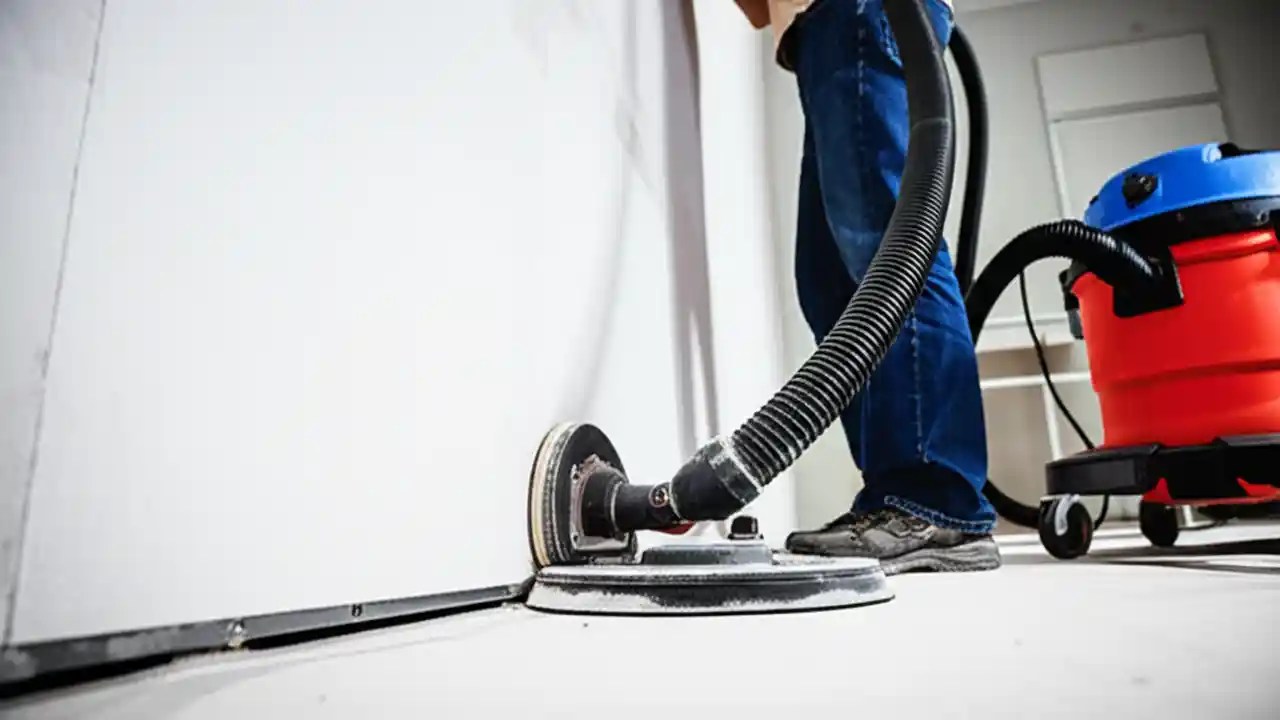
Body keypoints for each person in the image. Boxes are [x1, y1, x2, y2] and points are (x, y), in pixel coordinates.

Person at [733, 0, 1001, 574]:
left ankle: (934, 500)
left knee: (893, 251)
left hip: (858, 9)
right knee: (832, 282)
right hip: (819, 29)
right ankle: (898, 496)